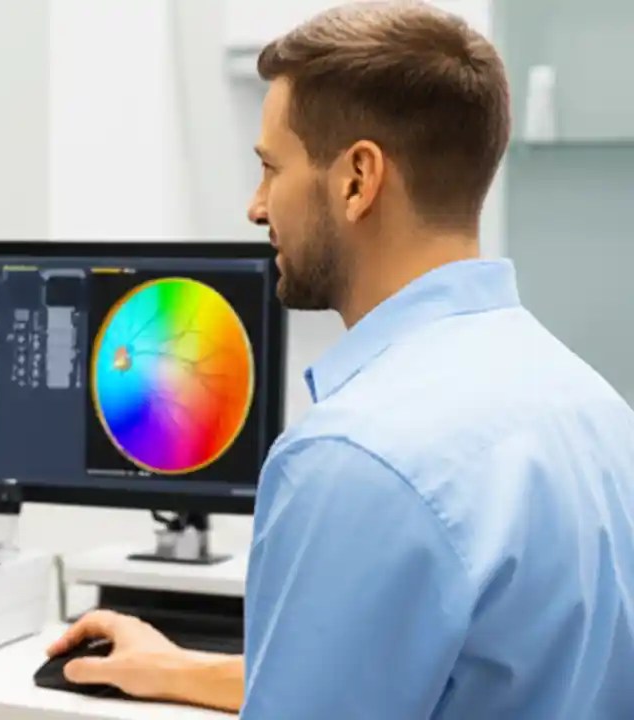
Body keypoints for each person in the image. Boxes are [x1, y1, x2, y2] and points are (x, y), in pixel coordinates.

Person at [49, 2, 634, 717]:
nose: (256, 206)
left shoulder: (354, 456)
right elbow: (467, 671)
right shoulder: (593, 406)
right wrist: (177, 669)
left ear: (357, 179)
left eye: (271, 169)